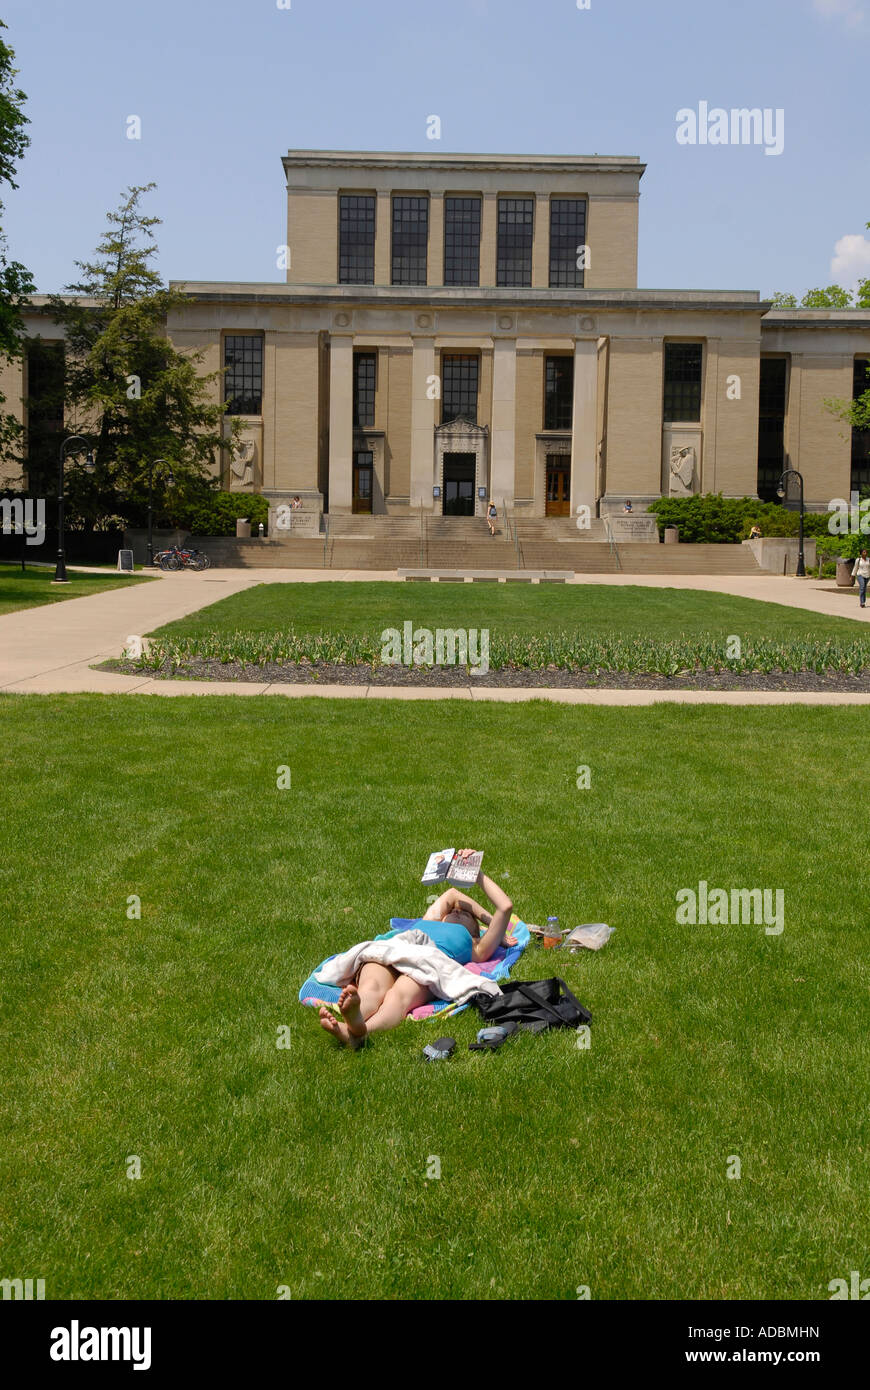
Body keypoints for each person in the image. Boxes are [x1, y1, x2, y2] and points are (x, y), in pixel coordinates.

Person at [318, 851, 514, 1047]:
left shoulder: (476, 947)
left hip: (429, 962)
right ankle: (354, 1017)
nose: (458, 909)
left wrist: (477, 875)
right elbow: (453, 894)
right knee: (372, 987)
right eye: (454, 910)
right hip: (399, 947)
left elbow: (505, 907)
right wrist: (485, 917)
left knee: (398, 996)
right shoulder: (428, 921)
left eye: (466, 915)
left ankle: (361, 1032)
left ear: (475, 932)